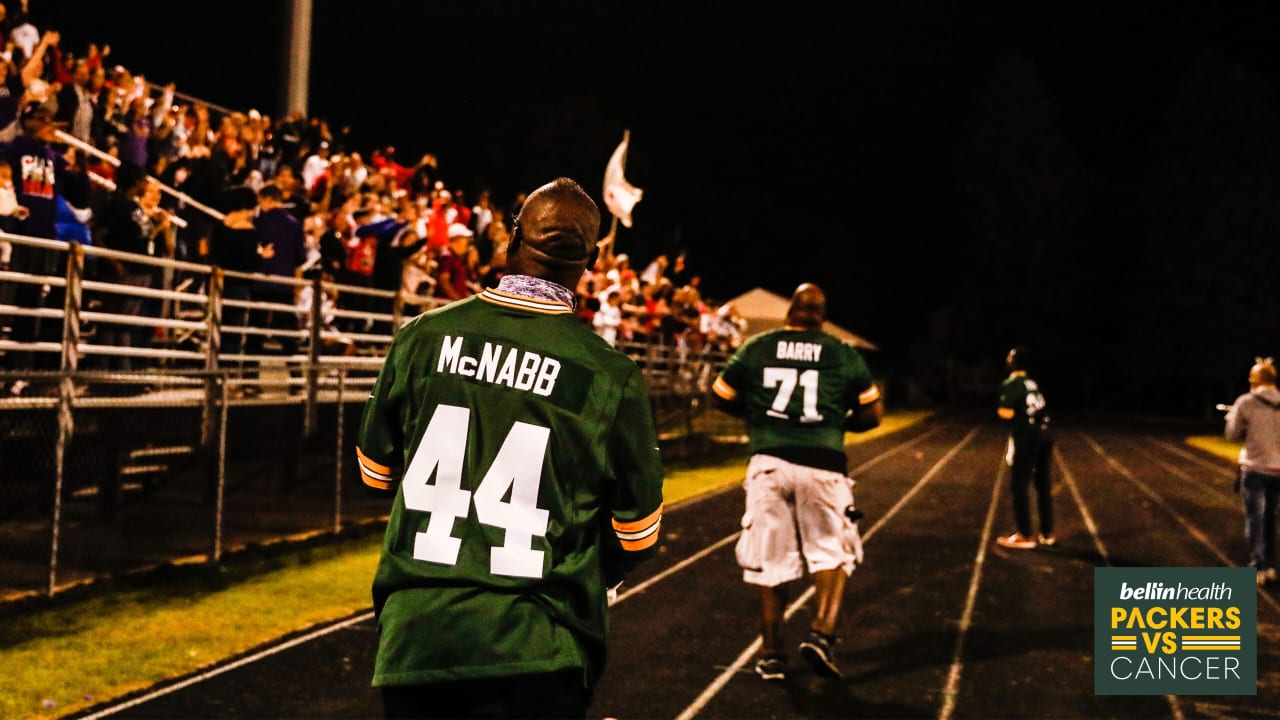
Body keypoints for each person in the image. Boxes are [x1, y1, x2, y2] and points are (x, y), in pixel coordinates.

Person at [355, 177, 665, 719]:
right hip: (538, 640)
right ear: (590, 261)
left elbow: (375, 476)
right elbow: (637, 535)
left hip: (419, 631)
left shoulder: (423, 335)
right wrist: (589, 571)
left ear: (511, 237)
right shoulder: (611, 375)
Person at [711, 282, 882, 682]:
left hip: (769, 461)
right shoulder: (842, 352)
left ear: (791, 311)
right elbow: (872, 414)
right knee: (831, 553)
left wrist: (756, 415)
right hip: (823, 464)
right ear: (822, 315)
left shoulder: (759, 346)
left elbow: (720, 393)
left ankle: (771, 655)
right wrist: (841, 422)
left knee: (770, 560)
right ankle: (821, 634)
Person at [1224, 356, 1280, 587]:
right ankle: (1271, 566)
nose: (1248, 379)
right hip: (1278, 469)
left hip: (1254, 469)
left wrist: (1233, 419)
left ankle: (1258, 565)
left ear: (1257, 379)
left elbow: (1232, 433)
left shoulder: (1245, 402)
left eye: (1251, 375)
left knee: (1255, 517)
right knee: (1271, 517)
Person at [994, 345, 1055, 550]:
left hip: (1028, 436)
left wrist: (1018, 417)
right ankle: (1047, 532)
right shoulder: (1032, 382)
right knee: (1043, 485)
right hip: (1046, 433)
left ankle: (1025, 534)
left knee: (1019, 486)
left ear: (1012, 362)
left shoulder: (1012, 383)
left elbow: (1004, 411)